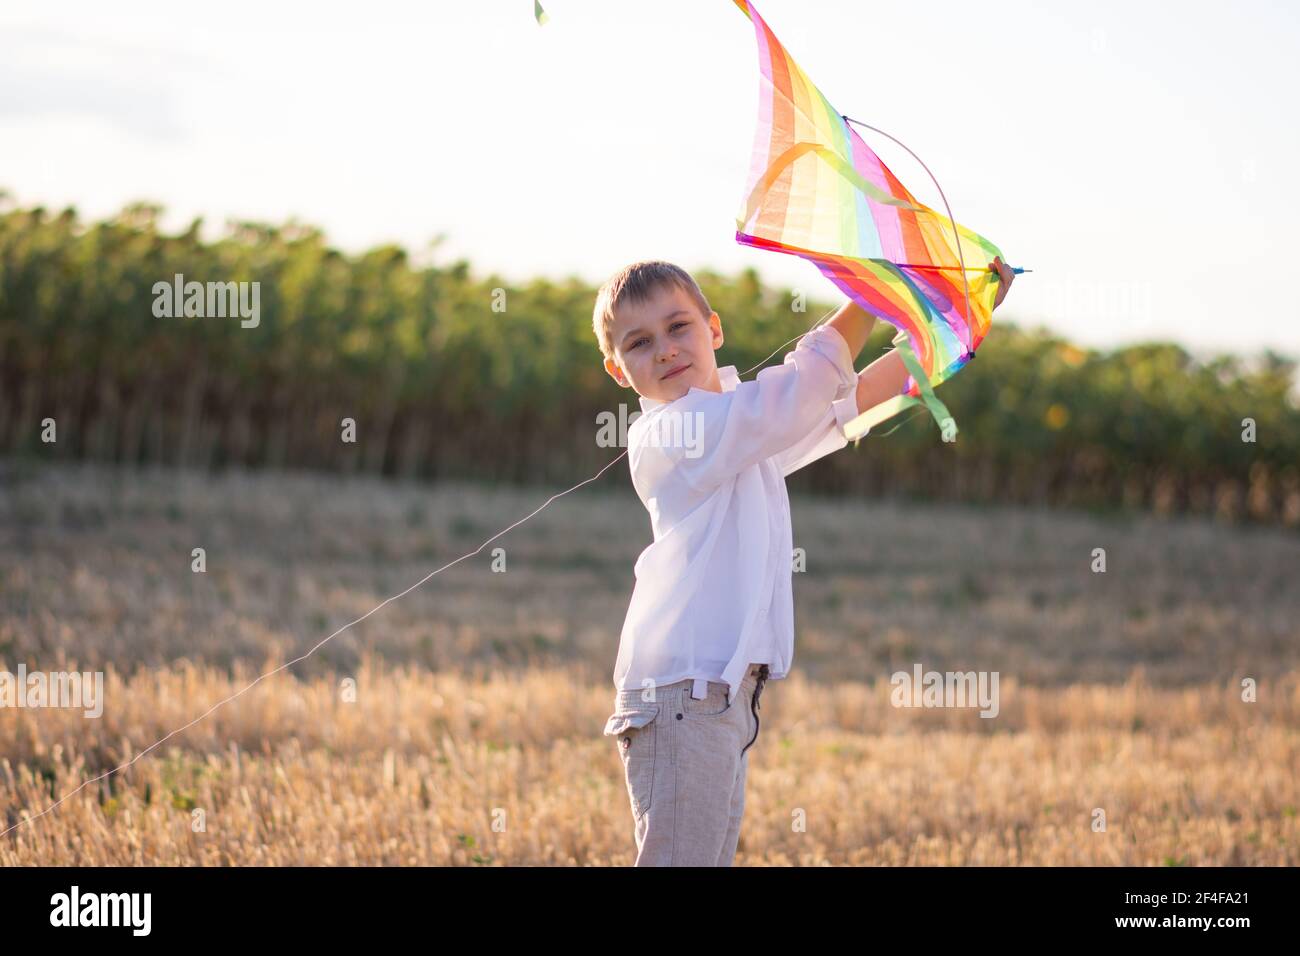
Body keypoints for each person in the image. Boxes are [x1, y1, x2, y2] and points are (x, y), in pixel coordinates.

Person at [591, 257, 1015, 866]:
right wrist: (870, 295)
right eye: (639, 343)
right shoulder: (670, 434)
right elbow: (796, 399)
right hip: (680, 692)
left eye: (678, 327)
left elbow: (856, 398)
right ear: (617, 370)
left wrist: (963, 321)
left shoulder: (741, 429)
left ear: (714, 329)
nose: (664, 350)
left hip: (716, 694)